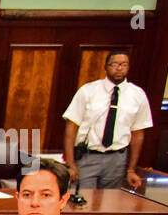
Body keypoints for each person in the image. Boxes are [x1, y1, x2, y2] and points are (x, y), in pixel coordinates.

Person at [62, 51, 152, 191]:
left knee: (109, 202)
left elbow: (138, 133)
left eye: (124, 64)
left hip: (117, 159)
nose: (119, 68)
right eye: (114, 64)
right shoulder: (88, 91)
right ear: (106, 66)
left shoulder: (138, 95)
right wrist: (71, 163)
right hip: (88, 156)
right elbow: (71, 127)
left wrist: (131, 170)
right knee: (83, 200)